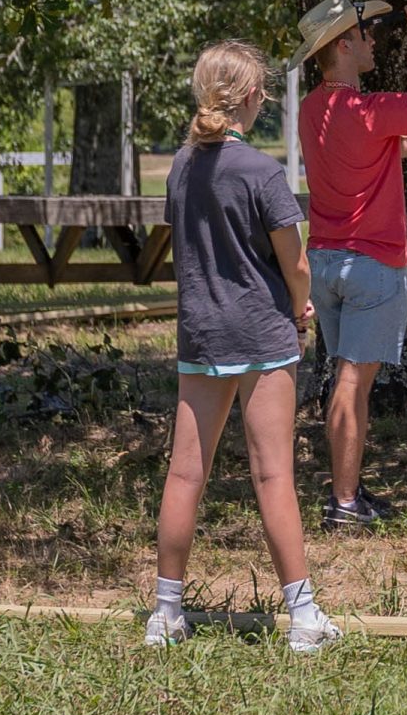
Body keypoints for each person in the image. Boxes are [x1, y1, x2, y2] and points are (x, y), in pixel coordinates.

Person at [146, 41, 341, 653]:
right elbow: (297, 264)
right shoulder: (262, 172)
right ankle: (304, 616)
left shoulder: (181, 166)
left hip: (202, 335)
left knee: (185, 473)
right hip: (262, 333)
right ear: (253, 97)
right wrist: (300, 304)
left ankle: (165, 612)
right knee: (273, 473)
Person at [292, 0, 407, 529]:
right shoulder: (371, 109)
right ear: (343, 45)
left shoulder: (314, 111)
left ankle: (349, 489)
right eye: (364, 34)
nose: (373, 40)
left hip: (324, 261)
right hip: (371, 267)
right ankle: (344, 504)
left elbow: (373, 150)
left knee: (346, 379)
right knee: (353, 383)